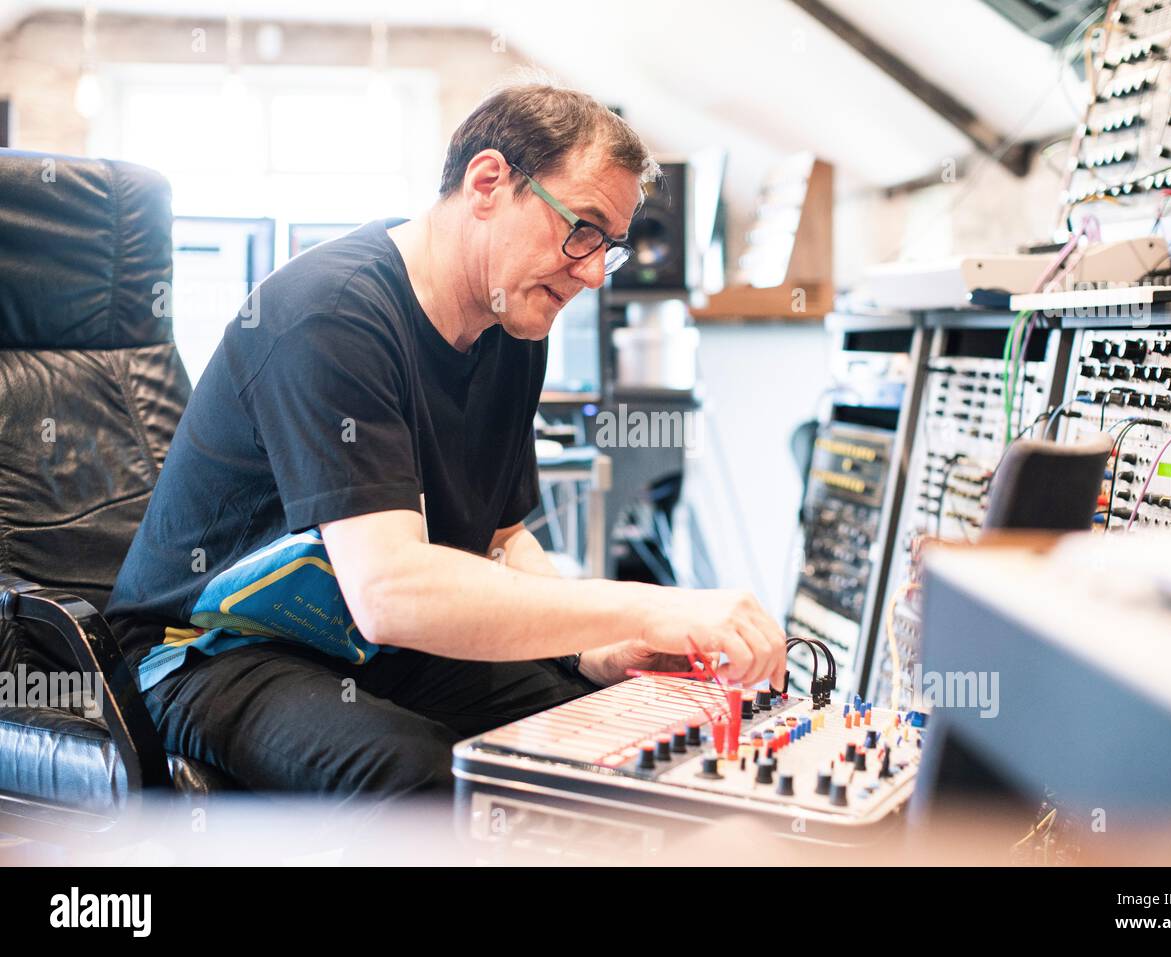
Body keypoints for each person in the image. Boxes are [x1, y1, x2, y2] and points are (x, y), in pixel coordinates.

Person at [105, 81, 786, 800]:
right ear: (488, 182)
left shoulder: (514, 325)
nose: (591, 272)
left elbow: (502, 536)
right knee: (419, 776)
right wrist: (652, 606)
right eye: (582, 228)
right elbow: (391, 592)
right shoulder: (330, 315)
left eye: (608, 248)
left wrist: (591, 645)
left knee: (607, 725)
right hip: (214, 650)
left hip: (361, 641)